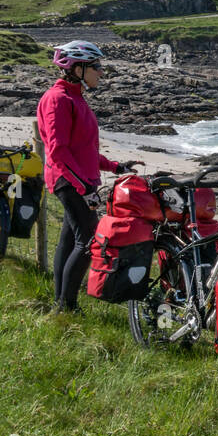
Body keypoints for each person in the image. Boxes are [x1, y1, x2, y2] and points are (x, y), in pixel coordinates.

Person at [36, 40, 141, 313]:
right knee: (89, 240)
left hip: (79, 180)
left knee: (70, 240)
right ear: (77, 68)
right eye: (96, 66)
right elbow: (58, 151)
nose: (101, 72)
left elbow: (83, 150)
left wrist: (115, 166)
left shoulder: (75, 97)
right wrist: (83, 187)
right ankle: (67, 306)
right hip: (70, 182)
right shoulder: (58, 99)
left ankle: (60, 302)